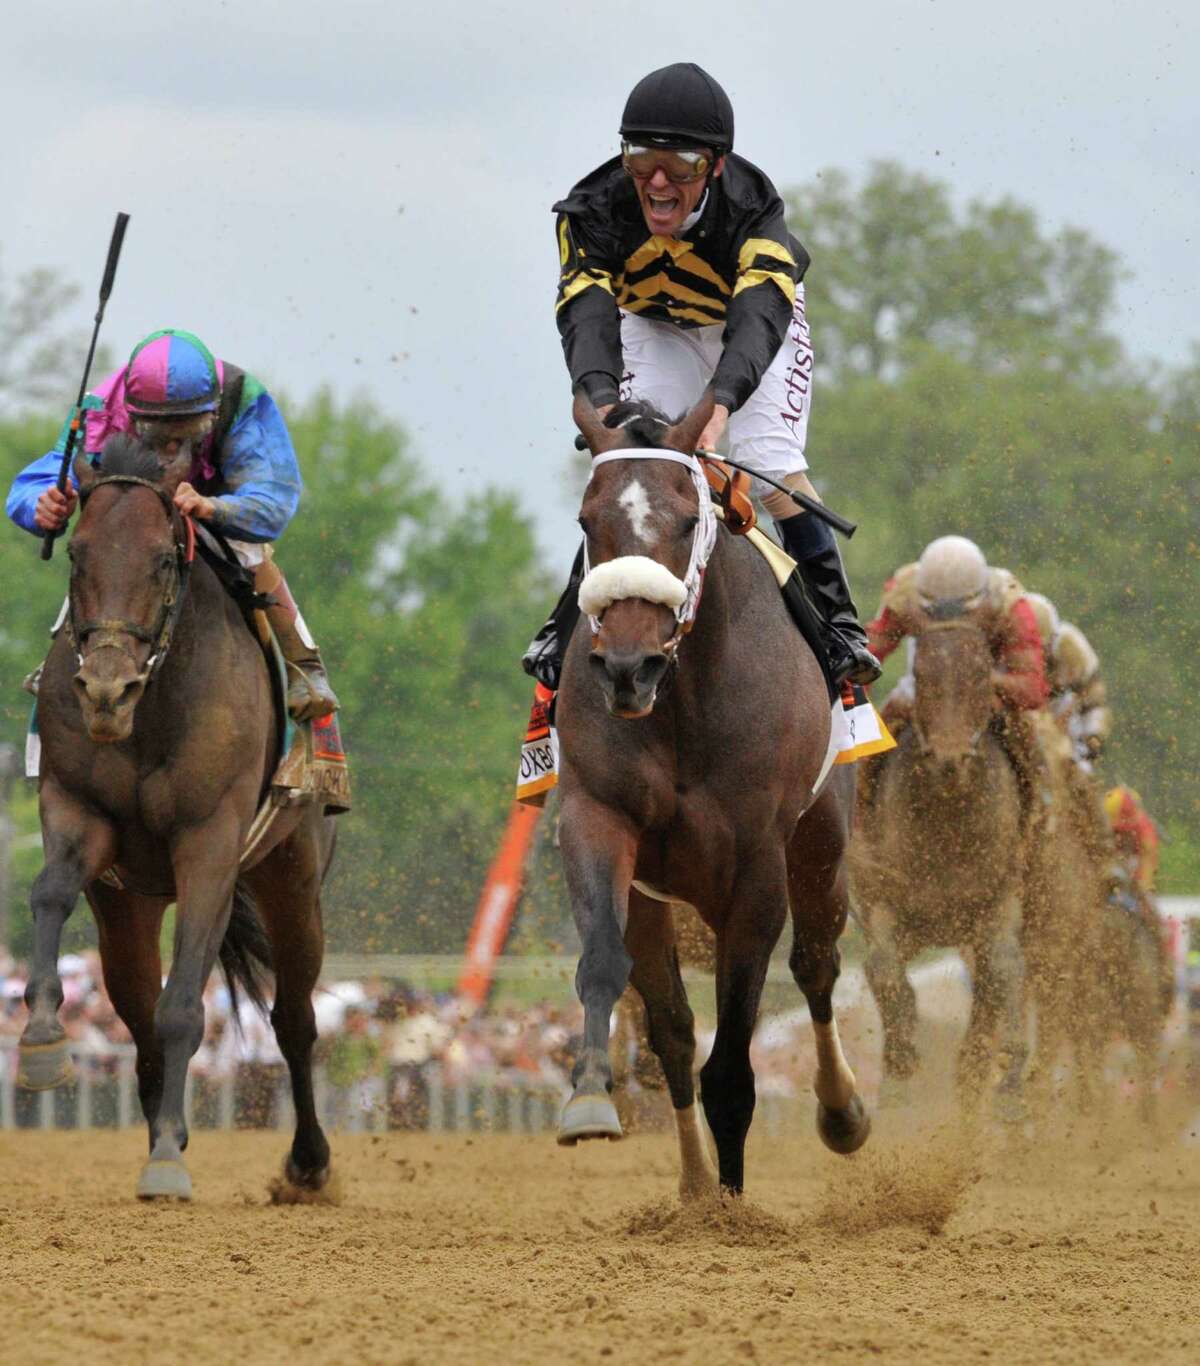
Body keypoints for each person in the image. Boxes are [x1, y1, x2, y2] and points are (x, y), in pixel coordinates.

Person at [523, 61, 879, 693]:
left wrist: (720, 406)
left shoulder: (754, 212)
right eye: (640, 160)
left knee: (769, 462)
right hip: (651, 323)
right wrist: (602, 400)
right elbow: (586, 315)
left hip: (750, 326)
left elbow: (757, 321)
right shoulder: (589, 211)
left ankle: (840, 625)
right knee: (633, 464)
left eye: (680, 165)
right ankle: (565, 620)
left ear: (715, 165)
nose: (657, 182)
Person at [5, 328, 338, 721]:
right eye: (158, 434)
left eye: (187, 433)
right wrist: (41, 506)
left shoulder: (243, 399)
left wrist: (214, 508)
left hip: (218, 505)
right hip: (133, 516)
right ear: (133, 415)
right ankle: (57, 670)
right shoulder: (99, 408)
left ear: (212, 412)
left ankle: (304, 665)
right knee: (101, 551)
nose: (169, 448)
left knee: (250, 552)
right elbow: (42, 478)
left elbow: (275, 500)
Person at [864, 535, 1050, 820]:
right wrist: (855, 712)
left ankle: (1039, 817)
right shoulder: (903, 595)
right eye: (935, 612)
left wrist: (990, 681)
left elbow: (1032, 688)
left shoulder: (1009, 603)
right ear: (921, 598)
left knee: (1028, 740)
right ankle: (860, 816)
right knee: (866, 743)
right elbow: (864, 659)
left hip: (987, 683)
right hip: (923, 682)